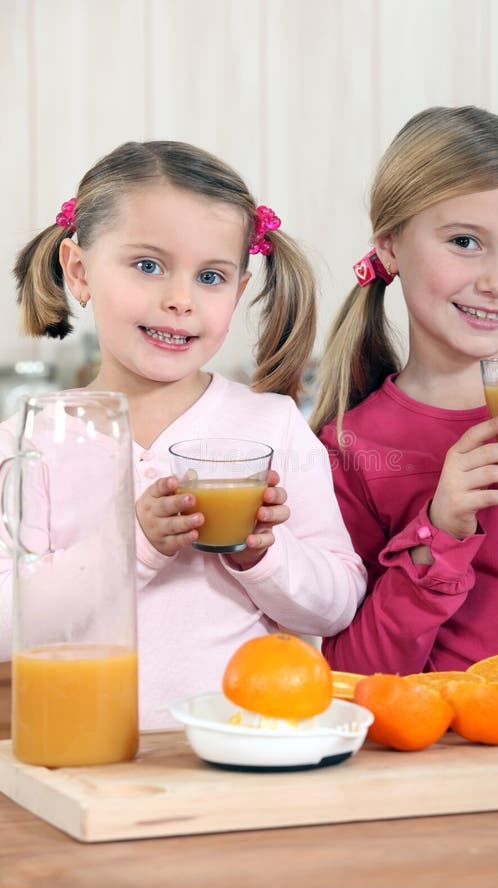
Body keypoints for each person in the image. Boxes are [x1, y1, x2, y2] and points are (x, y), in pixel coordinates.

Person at [0, 140, 366, 729]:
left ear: (240, 289)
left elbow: (336, 604)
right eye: (148, 265)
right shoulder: (33, 437)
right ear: (79, 270)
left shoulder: (270, 425)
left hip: (242, 752)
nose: (179, 300)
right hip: (81, 757)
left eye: (211, 276)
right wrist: (133, 545)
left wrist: (263, 555)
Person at [311, 106, 498, 714]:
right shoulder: (350, 447)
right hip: (454, 755)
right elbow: (351, 677)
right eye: (465, 242)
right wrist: (438, 532)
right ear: (389, 245)